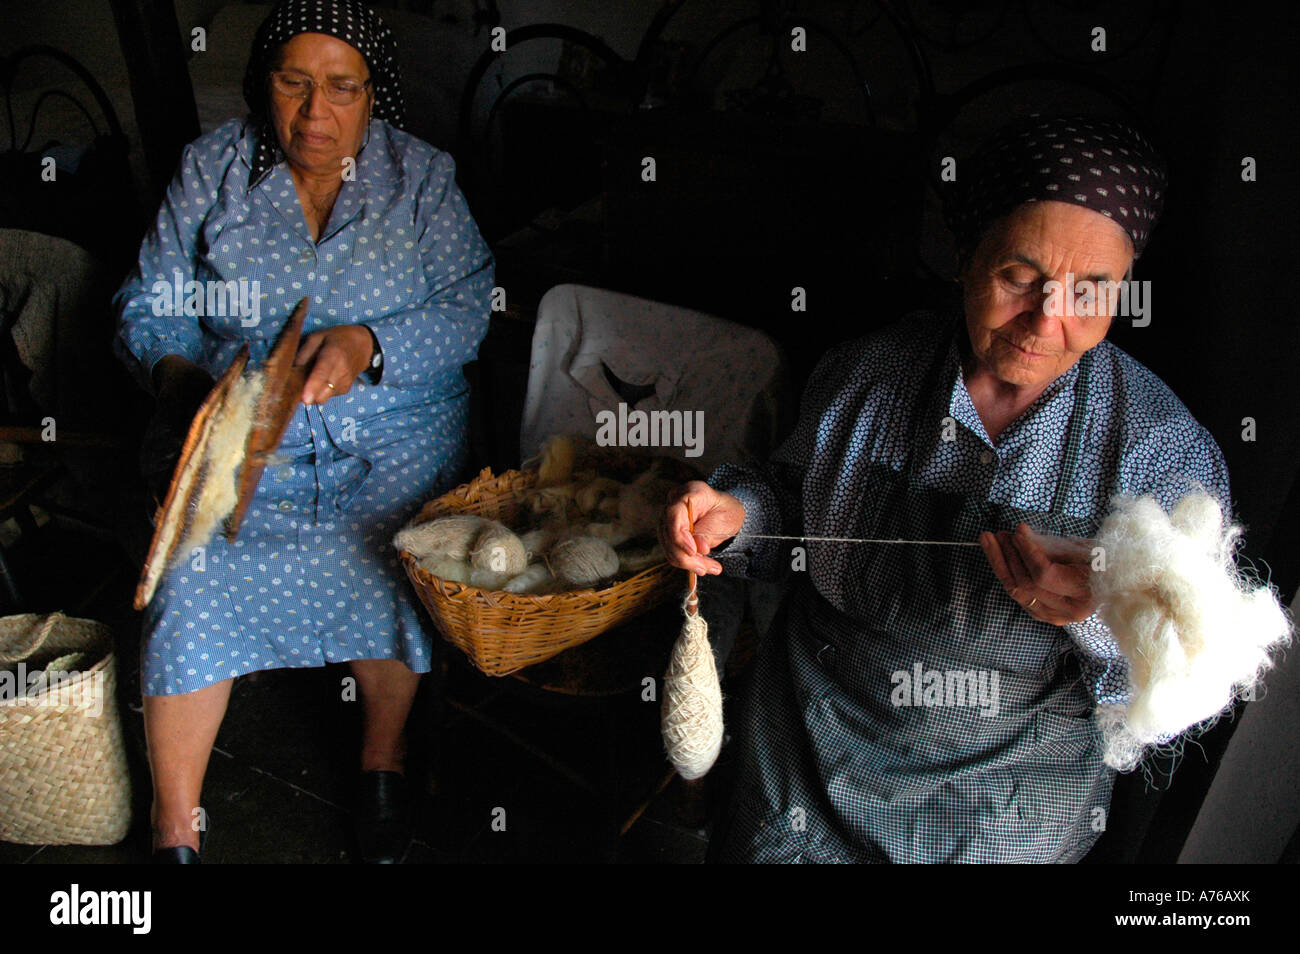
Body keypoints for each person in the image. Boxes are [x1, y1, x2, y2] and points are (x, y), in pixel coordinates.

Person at [660, 116, 1228, 863]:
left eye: (1090, 292)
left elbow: (1181, 685)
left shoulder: (1161, 453)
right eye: (1019, 278)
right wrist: (736, 517)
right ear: (965, 257)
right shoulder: (865, 377)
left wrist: (1099, 615)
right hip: (811, 758)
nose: (1047, 322)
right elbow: (793, 510)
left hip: (1000, 807)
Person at [114, 0, 493, 864]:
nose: (313, 114)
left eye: (340, 88)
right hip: (248, 442)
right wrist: (180, 381)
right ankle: (175, 828)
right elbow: (145, 300)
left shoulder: (421, 179)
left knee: (397, 555)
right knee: (190, 576)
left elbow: (471, 304)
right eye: (292, 84)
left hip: (391, 436)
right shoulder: (211, 170)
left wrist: (369, 345)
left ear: (373, 95)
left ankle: (382, 764)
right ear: (263, 85)